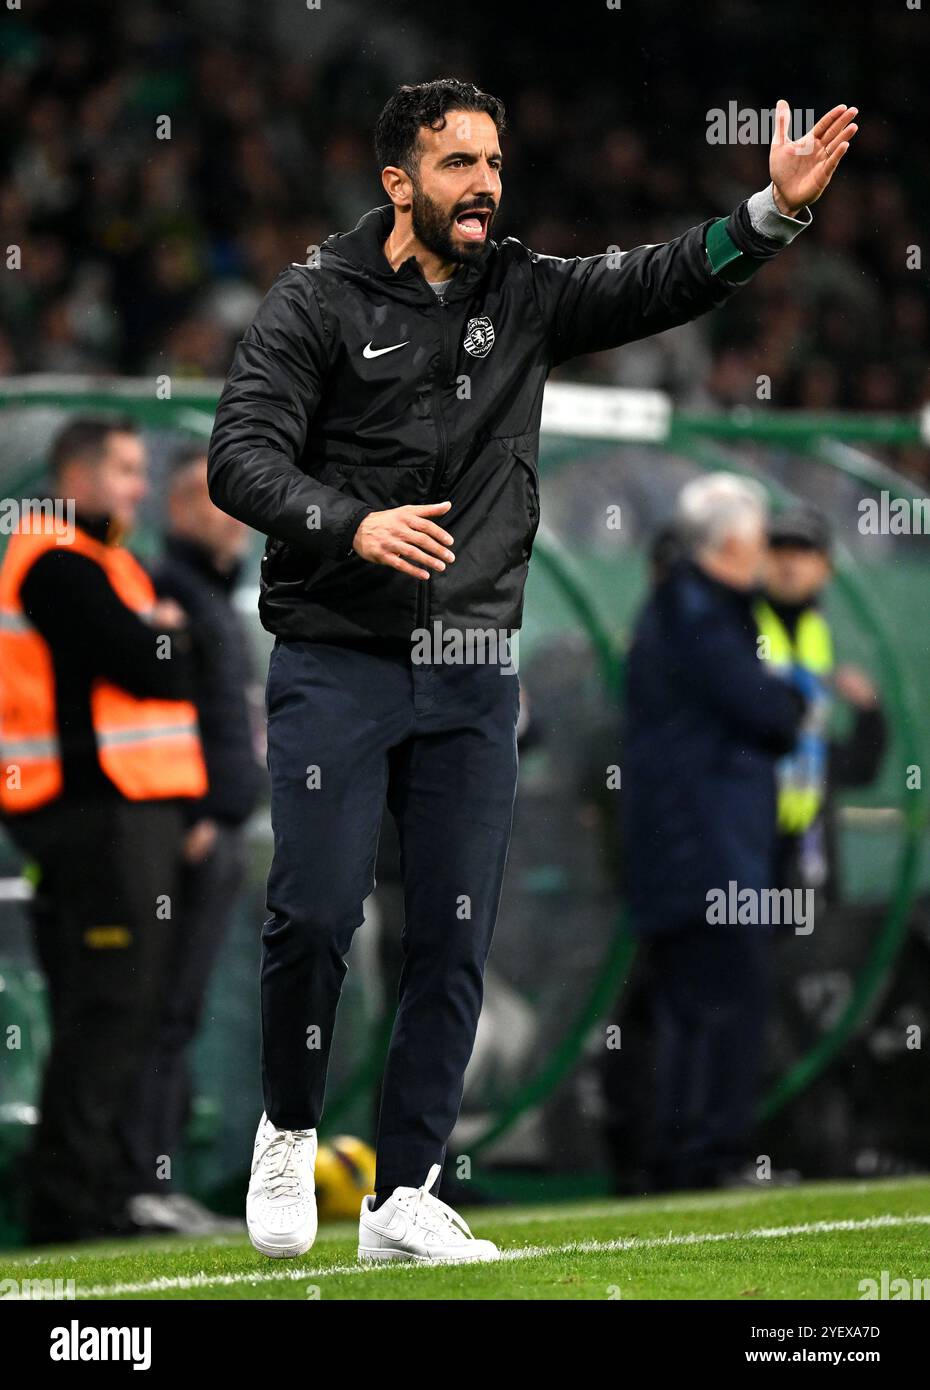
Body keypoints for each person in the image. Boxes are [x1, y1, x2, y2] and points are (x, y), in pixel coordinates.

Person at [206, 77, 856, 1260]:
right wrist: (350, 522)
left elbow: (658, 276)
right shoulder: (312, 299)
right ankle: (289, 1129)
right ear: (398, 181)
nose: (487, 184)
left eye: (495, 162)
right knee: (313, 911)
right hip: (336, 657)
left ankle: (403, 1192)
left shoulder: (524, 288)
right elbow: (238, 456)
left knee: (455, 934)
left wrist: (768, 212)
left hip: (470, 666)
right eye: (459, 164)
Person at [0, 415, 208, 1244]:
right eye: (124, 469)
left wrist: (169, 642)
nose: (137, 486)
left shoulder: (101, 560)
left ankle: (98, 1195)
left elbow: (178, 665)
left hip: (123, 816)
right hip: (93, 817)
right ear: (75, 474)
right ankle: (69, 1207)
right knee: (106, 1010)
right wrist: (167, 638)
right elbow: (147, 663)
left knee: (122, 1010)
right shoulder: (55, 561)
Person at [622, 475, 806, 1191]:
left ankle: (684, 1155)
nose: (765, 557)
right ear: (732, 543)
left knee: (693, 1006)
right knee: (727, 1001)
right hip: (707, 852)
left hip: (687, 848)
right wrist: (791, 698)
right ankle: (708, 1155)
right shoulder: (701, 614)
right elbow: (770, 712)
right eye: (759, 541)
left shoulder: (680, 607)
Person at [115, 444, 267, 1235]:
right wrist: (199, 811)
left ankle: (155, 1175)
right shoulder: (165, 588)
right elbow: (170, 716)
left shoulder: (207, 595)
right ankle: (140, 1179)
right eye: (219, 504)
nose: (238, 523)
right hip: (192, 832)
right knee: (162, 1008)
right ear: (180, 508)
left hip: (219, 827)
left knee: (182, 1011)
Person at [755, 504, 887, 901]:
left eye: (803, 551)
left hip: (804, 831)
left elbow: (843, 760)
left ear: (825, 567)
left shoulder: (818, 632)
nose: (790, 562)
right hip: (747, 823)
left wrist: (869, 712)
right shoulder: (738, 620)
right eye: (779, 549)